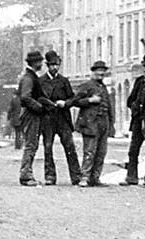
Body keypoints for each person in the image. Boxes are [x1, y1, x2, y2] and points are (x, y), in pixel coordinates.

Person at [40, 50, 82, 185]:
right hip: (47, 119)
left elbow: (72, 98)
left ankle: (76, 176)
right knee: (48, 148)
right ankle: (50, 176)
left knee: (70, 147)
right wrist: (47, 104)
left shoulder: (64, 81)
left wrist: (66, 103)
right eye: (52, 65)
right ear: (47, 65)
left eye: (57, 64)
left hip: (63, 118)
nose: (55, 67)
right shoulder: (40, 81)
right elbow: (38, 98)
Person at [73, 60, 114, 186]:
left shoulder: (103, 87)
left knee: (101, 152)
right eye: (98, 71)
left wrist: (111, 125)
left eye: (103, 71)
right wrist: (90, 100)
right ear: (93, 72)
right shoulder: (86, 85)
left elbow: (109, 107)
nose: (101, 73)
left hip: (103, 123)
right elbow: (75, 101)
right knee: (89, 151)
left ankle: (95, 177)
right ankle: (85, 177)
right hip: (91, 123)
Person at [120, 53, 145, 185]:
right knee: (133, 150)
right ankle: (131, 177)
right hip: (138, 121)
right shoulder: (139, 82)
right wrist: (136, 108)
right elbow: (130, 101)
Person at [17, 49, 51, 186]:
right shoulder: (28, 78)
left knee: (32, 145)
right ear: (35, 62)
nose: (42, 64)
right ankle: (26, 175)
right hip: (31, 115)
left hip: (32, 115)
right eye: (40, 61)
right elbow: (25, 97)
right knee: (31, 145)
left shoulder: (31, 76)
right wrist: (40, 107)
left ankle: (27, 174)